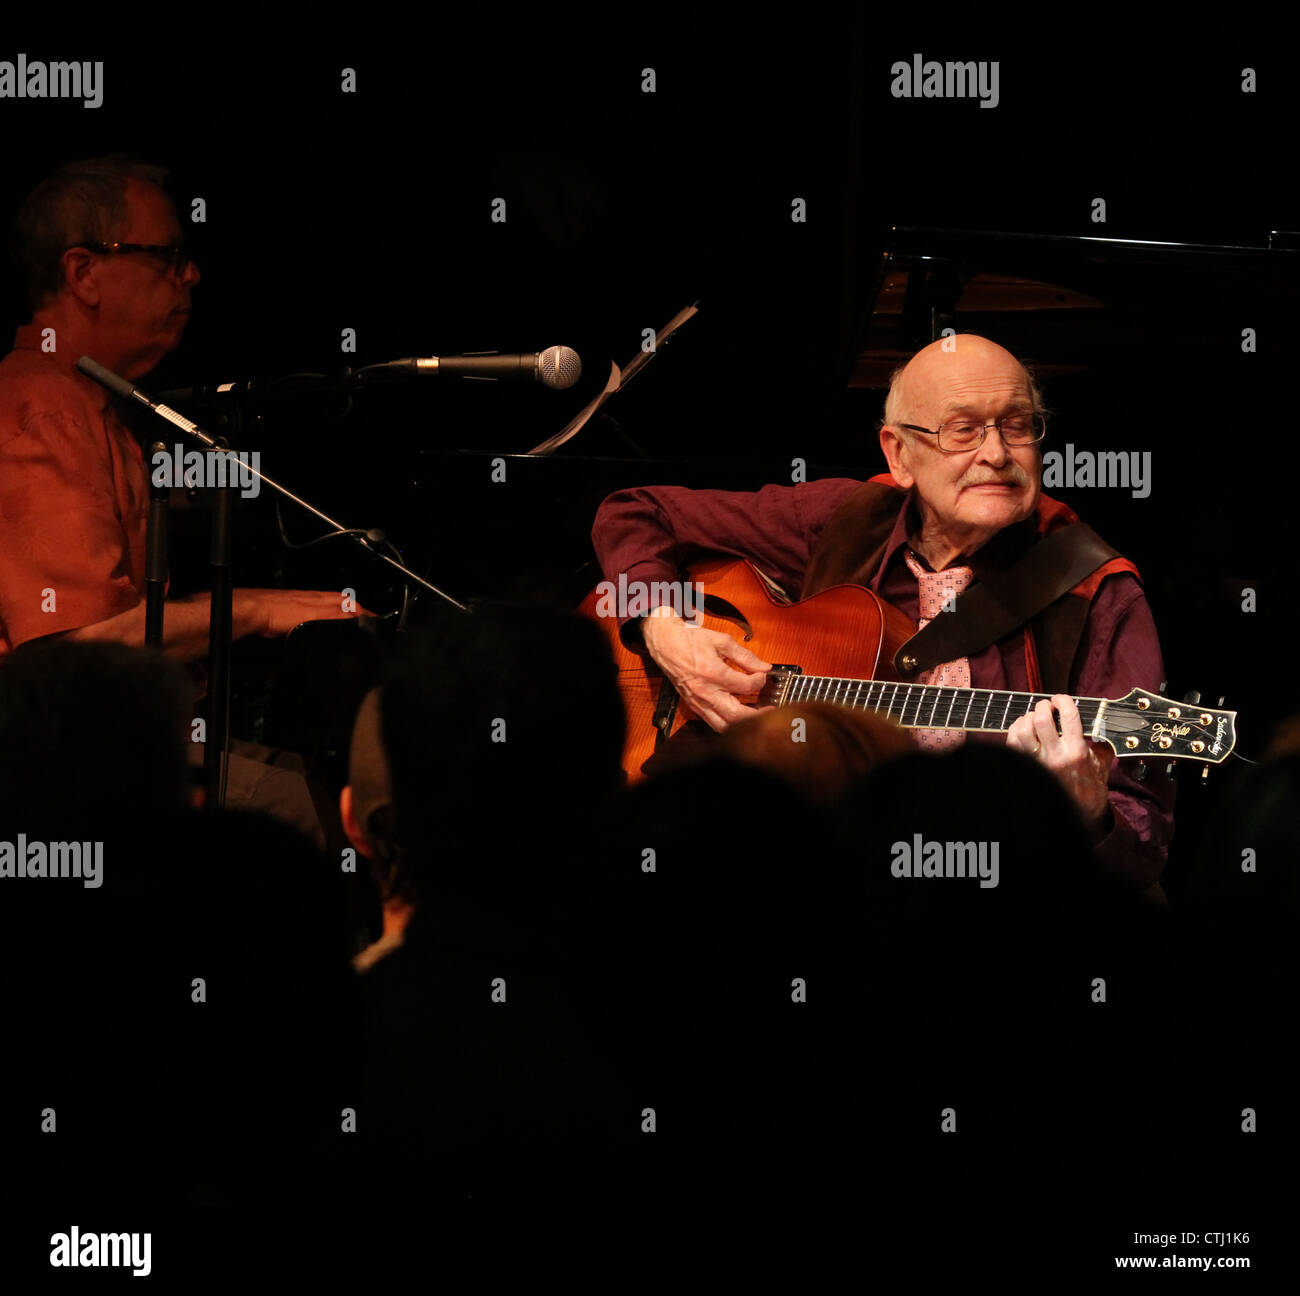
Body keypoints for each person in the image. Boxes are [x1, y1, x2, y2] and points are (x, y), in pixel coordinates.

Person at [591, 333, 1175, 889]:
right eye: (962, 431)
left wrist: (1088, 813)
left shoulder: (1095, 589)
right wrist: (665, 629)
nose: (996, 453)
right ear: (898, 454)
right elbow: (636, 511)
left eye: (1017, 426)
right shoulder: (845, 519)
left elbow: (1141, 855)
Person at [0, 154, 364, 842]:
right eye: (168, 255)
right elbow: (75, 645)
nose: (190, 274)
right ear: (83, 274)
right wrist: (255, 610)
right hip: (59, 777)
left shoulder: (92, 401)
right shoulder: (41, 403)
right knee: (303, 819)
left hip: (110, 755)